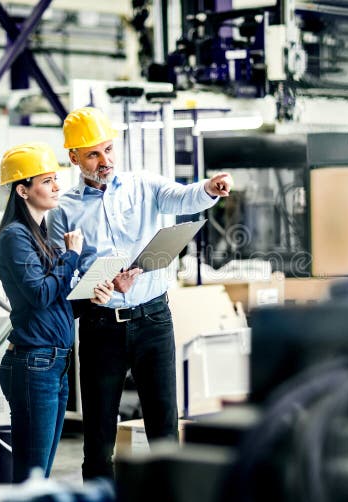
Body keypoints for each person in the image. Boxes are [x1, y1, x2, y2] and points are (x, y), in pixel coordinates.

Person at [47, 107, 233, 479]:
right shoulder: (62, 211)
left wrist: (209, 189)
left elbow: (183, 198)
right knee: (99, 438)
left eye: (109, 150)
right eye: (93, 154)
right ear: (73, 157)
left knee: (164, 429)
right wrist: (95, 289)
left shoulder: (143, 184)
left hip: (153, 320)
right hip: (102, 328)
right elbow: (61, 278)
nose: (105, 161)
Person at [0, 142, 114, 482]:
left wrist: (92, 295)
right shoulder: (15, 238)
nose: (57, 186)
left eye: (56, 179)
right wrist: (72, 255)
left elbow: (56, 305)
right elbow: (41, 294)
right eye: (46, 181)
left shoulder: (41, 235)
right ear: (23, 190)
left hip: (53, 364)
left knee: (40, 475)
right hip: (33, 366)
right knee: (31, 477)